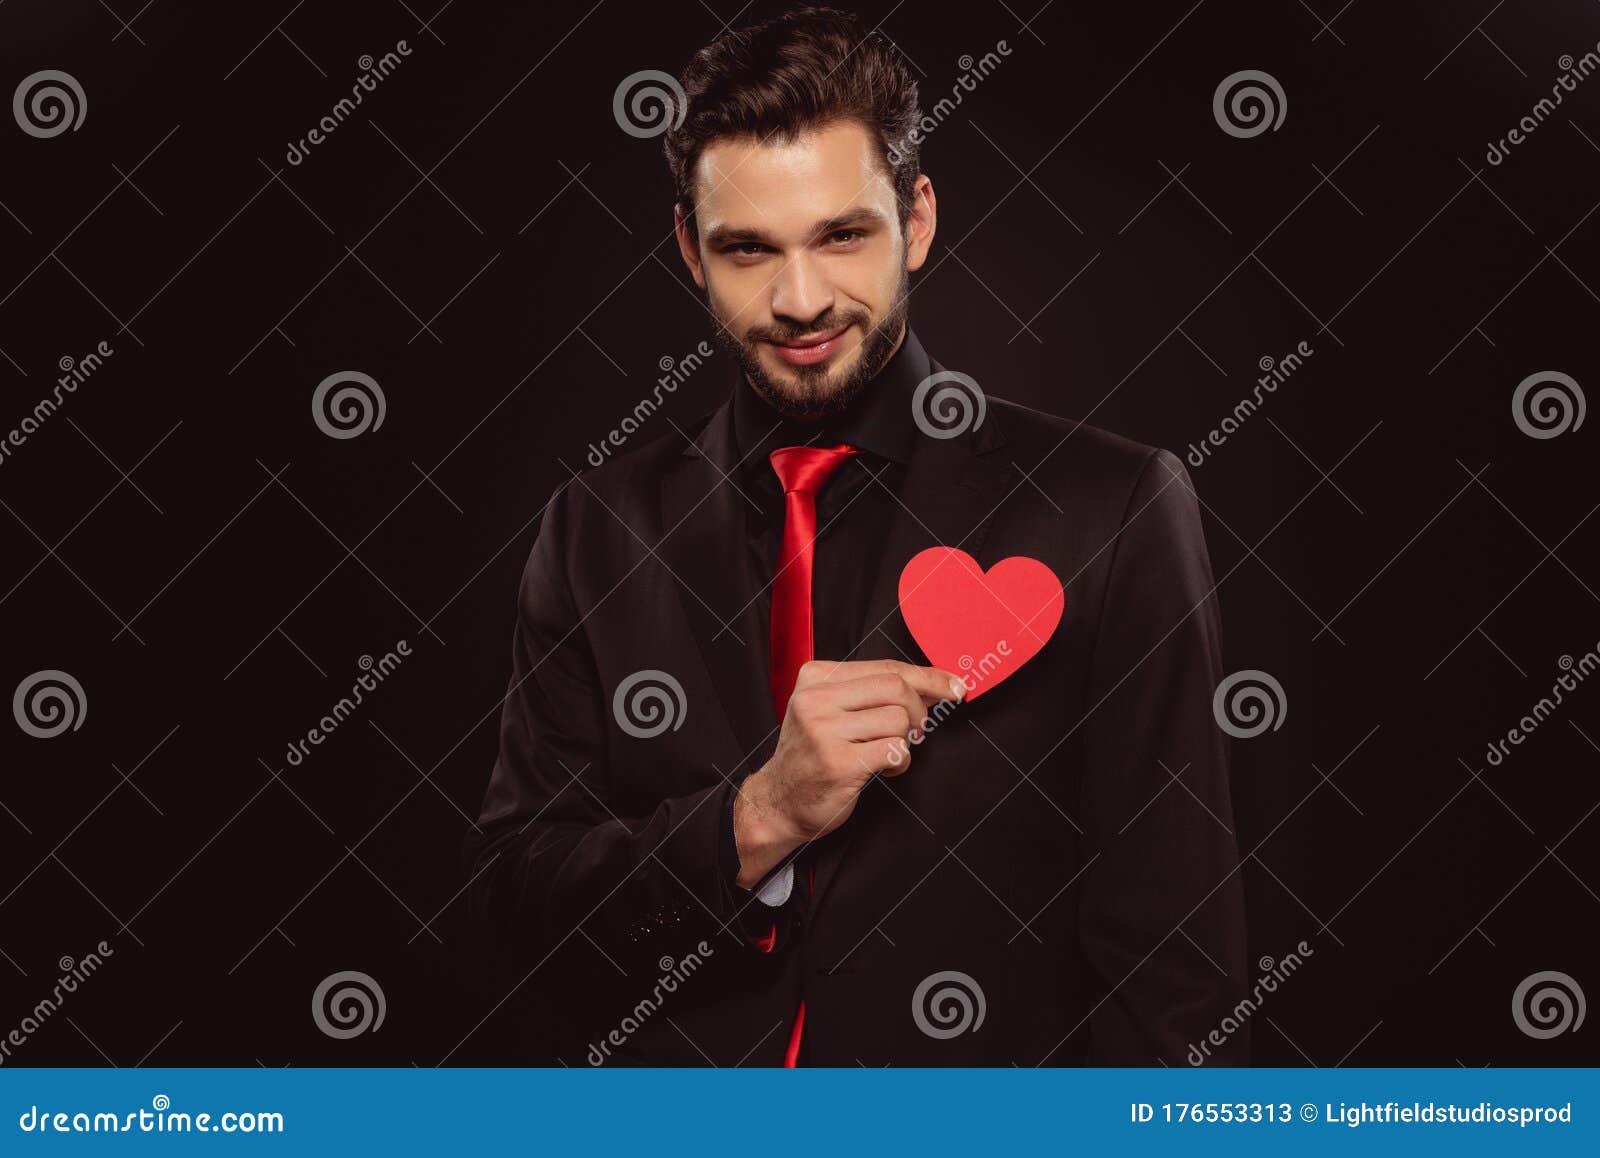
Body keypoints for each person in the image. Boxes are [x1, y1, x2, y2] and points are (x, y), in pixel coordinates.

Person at [466, 6, 1247, 1066]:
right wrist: (757, 818)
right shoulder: (599, 529)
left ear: (915, 220)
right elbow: (518, 905)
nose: (799, 301)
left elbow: (1174, 959)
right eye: (749, 249)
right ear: (691, 250)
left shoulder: (1112, 510)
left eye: (841, 235)